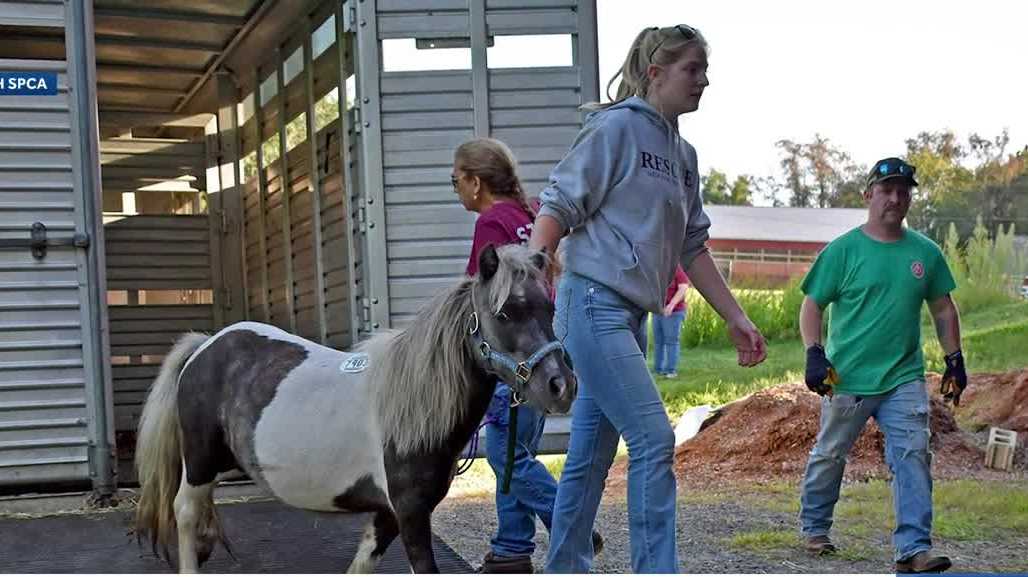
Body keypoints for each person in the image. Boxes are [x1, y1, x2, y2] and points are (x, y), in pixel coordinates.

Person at [528, 25, 768, 573]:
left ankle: (564, 566)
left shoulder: (683, 156)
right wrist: (531, 274)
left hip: (632, 317)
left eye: (705, 71)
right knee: (654, 437)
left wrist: (736, 317)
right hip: (590, 303)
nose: (703, 81)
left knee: (589, 458)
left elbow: (692, 245)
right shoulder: (615, 129)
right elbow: (560, 203)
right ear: (656, 72)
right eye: (692, 69)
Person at [797, 157, 967, 574]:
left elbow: (943, 309)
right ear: (868, 194)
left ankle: (914, 547)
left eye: (903, 191)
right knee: (831, 453)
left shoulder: (925, 253)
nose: (895, 198)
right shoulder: (843, 250)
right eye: (887, 189)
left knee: (913, 453)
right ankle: (815, 527)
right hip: (848, 377)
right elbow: (812, 304)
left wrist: (954, 359)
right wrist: (814, 353)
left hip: (903, 376)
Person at [452, 137, 602, 574]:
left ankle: (571, 523)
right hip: (545, 349)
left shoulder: (492, 222)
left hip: (513, 359)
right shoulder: (528, 215)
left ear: (476, 182)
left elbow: (478, 293)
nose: (457, 189)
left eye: (456, 180)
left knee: (505, 456)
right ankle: (512, 550)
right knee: (516, 452)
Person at [651, 264, 689, 378]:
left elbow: (683, 287)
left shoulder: (676, 268)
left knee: (671, 341)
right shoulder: (656, 268)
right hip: (658, 311)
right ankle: (658, 369)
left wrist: (671, 305)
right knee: (658, 342)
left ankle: (671, 371)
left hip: (674, 312)